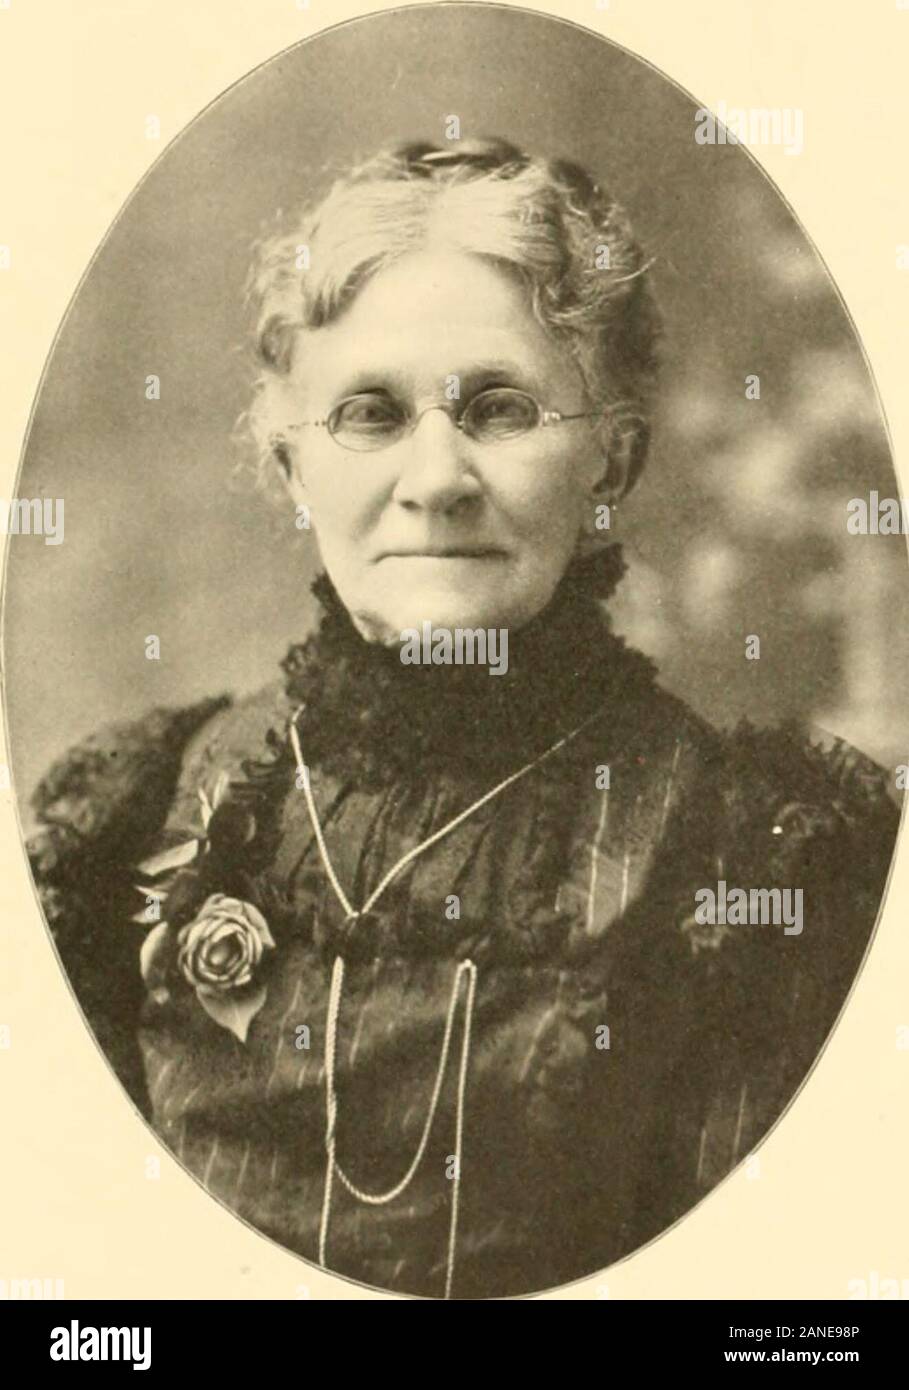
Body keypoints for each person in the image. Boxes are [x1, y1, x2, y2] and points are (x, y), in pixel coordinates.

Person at [27, 136, 898, 1300]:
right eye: (370, 414)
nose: (436, 478)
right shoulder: (137, 817)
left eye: (499, 408)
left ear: (611, 459)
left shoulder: (748, 860)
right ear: (291, 465)